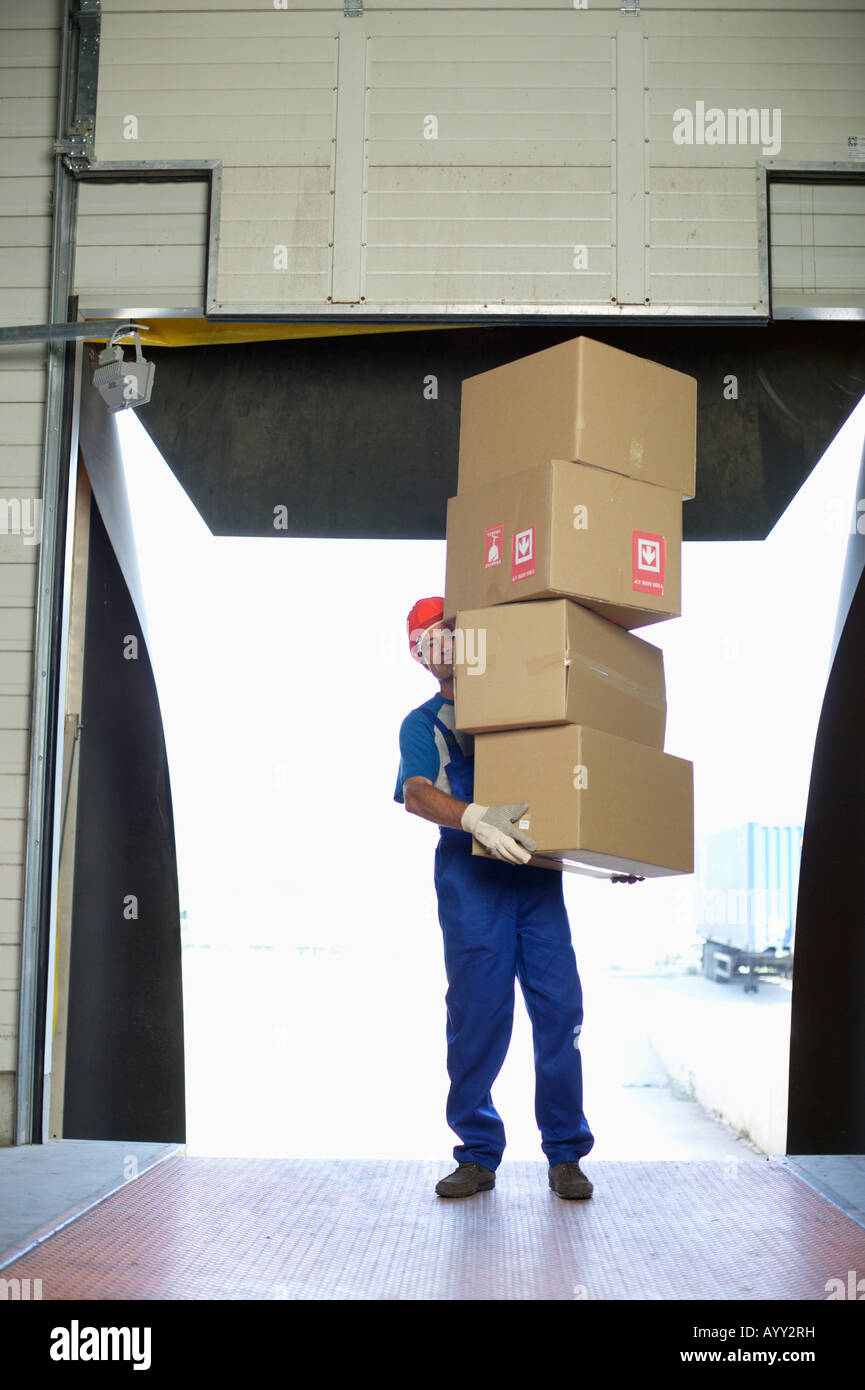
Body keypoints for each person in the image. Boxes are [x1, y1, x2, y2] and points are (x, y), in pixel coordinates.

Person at [394, 596, 595, 1200]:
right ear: (420, 657)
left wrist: (615, 856)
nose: (442, 649)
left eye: (450, 634)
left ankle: (565, 1155)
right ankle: (478, 1154)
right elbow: (416, 794)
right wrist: (476, 817)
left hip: (535, 878)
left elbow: (573, 785)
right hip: (470, 879)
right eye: (429, 641)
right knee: (478, 1015)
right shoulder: (423, 722)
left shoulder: (526, 709)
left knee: (559, 1011)